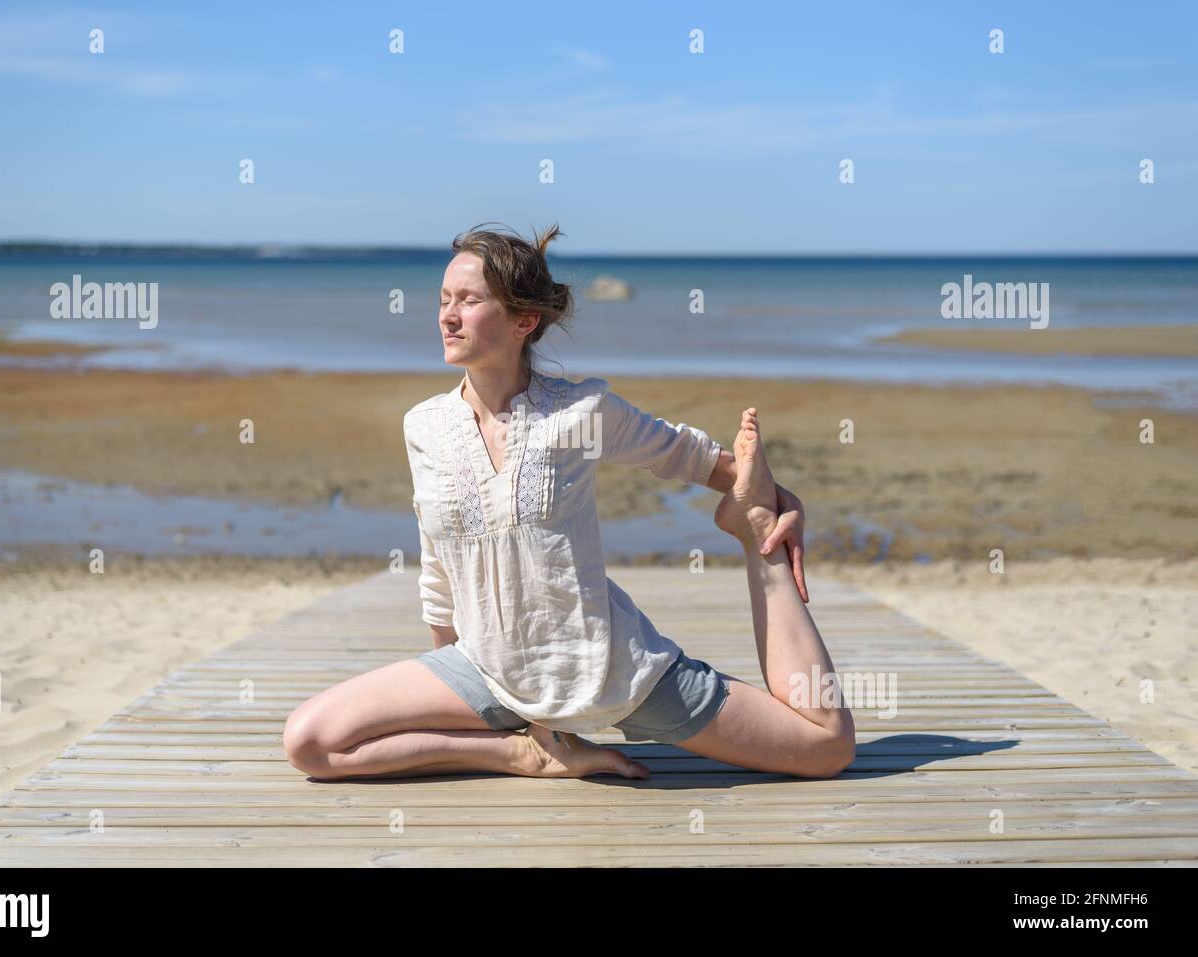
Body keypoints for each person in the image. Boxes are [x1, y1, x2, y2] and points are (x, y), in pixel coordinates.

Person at [283, 224, 856, 780]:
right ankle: (526, 755)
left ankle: (757, 548)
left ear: (522, 321)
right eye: (443, 299)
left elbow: (699, 460)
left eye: (469, 300)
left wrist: (771, 506)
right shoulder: (424, 426)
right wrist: (465, 704)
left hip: (610, 672)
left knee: (824, 748)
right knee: (310, 742)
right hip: (485, 671)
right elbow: (437, 566)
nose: (447, 315)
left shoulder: (580, 412)